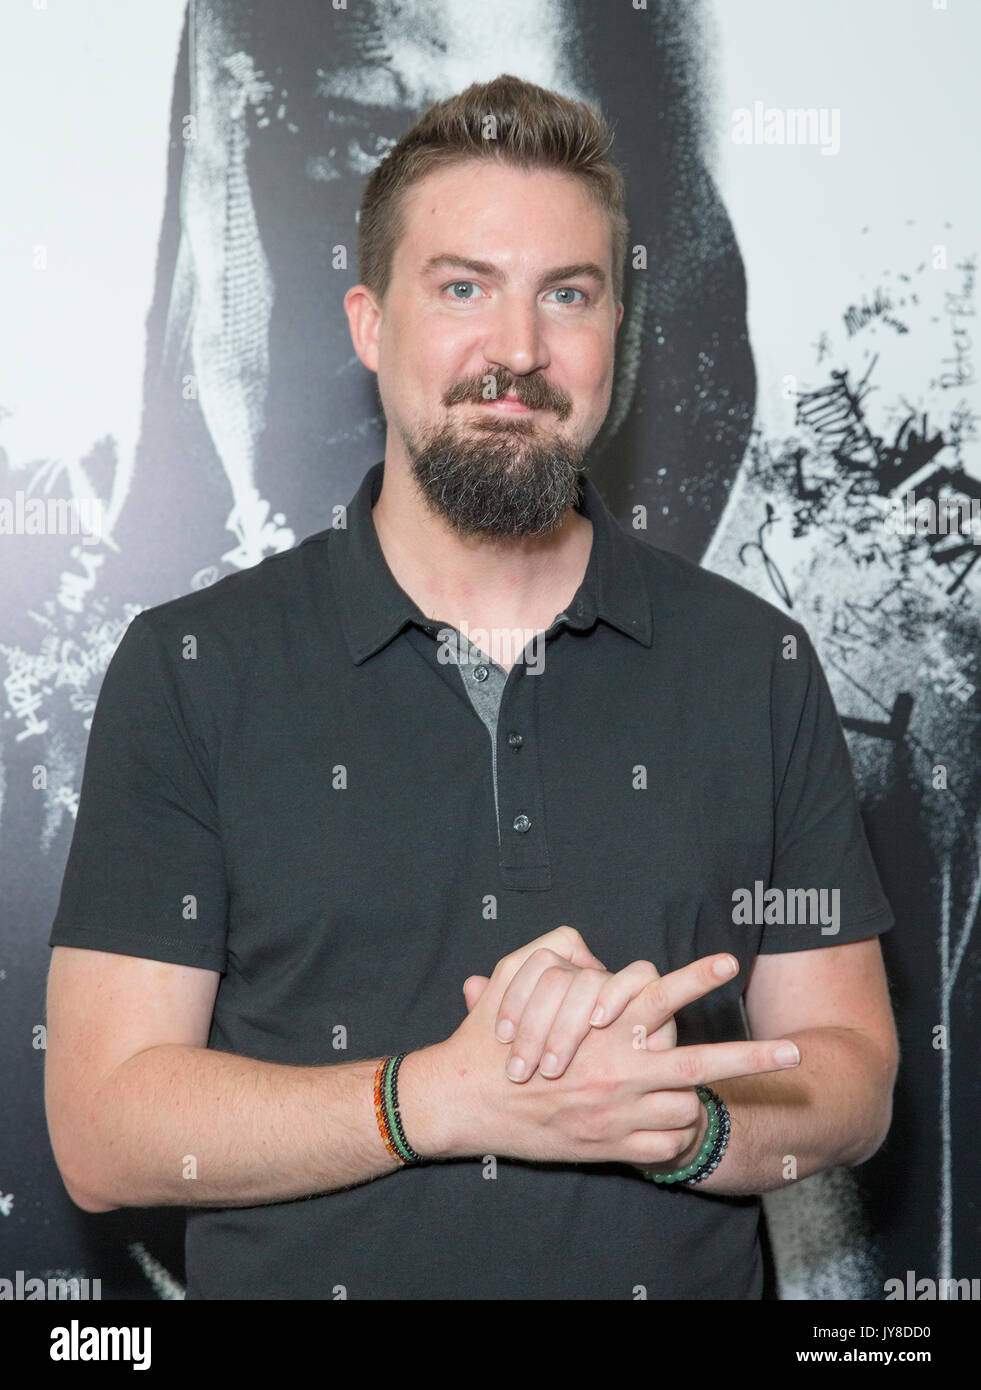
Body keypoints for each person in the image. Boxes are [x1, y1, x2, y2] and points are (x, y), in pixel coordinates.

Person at [45, 75, 898, 1300]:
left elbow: (857, 1075)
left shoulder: (753, 662)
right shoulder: (191, 666)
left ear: (622, 332)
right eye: (462, 288)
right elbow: (103, 1125)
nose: (517, 351)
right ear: (368, 324)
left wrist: (669, 1112)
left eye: (569, 294)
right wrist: (435, 1098)